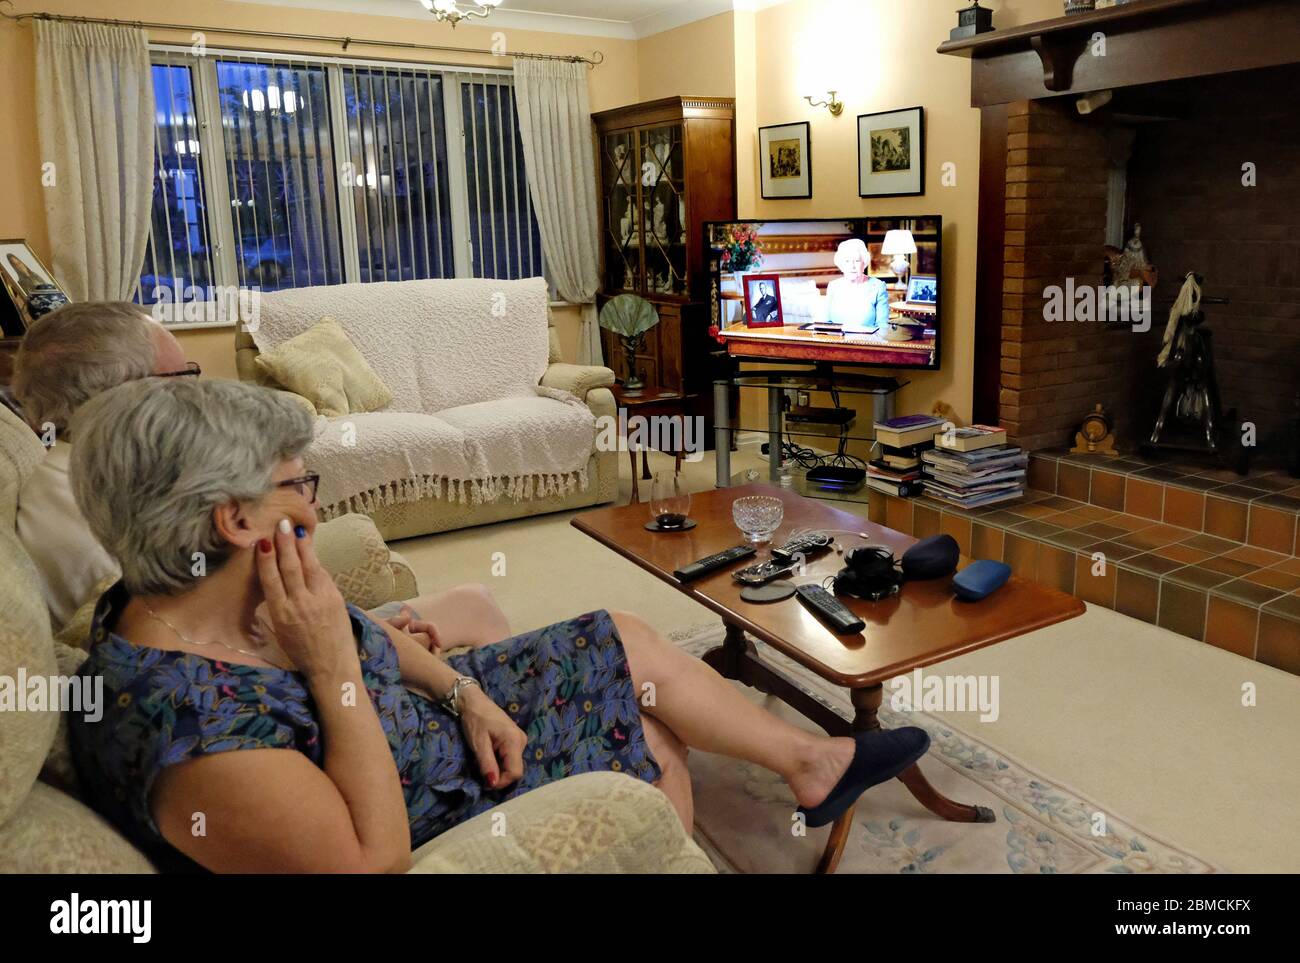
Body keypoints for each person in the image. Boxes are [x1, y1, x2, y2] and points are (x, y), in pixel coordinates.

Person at [67, 377, 931, 873]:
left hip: (447, 731)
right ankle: (731, 808)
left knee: (622, 635)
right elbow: (373, 862)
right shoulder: (191, 731)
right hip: (427, 793)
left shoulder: (233, 594)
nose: (314, 501)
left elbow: (368, 643)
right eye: (301, 484)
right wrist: (332, 665)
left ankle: (814, 764)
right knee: (657, 739)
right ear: (235, 521)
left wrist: (466, 691)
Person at [11, 301, 509, 648]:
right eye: (182, 379)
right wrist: (351, 649)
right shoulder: (92, 507)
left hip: (285, 645)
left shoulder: (83, 478)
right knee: (476, 605)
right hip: (285, 659)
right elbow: (198, 631)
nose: (198, 391)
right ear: (127, 397)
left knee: (472, 603)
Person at [826, 238, 890, 332]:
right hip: (837, 342)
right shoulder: (833, 286)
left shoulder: (878, 287)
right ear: (841, 265)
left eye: (857, 261)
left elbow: (883, 327)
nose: (852, 266)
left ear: (864, 263)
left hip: (867, 343)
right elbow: (826, 323)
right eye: (847, 261)